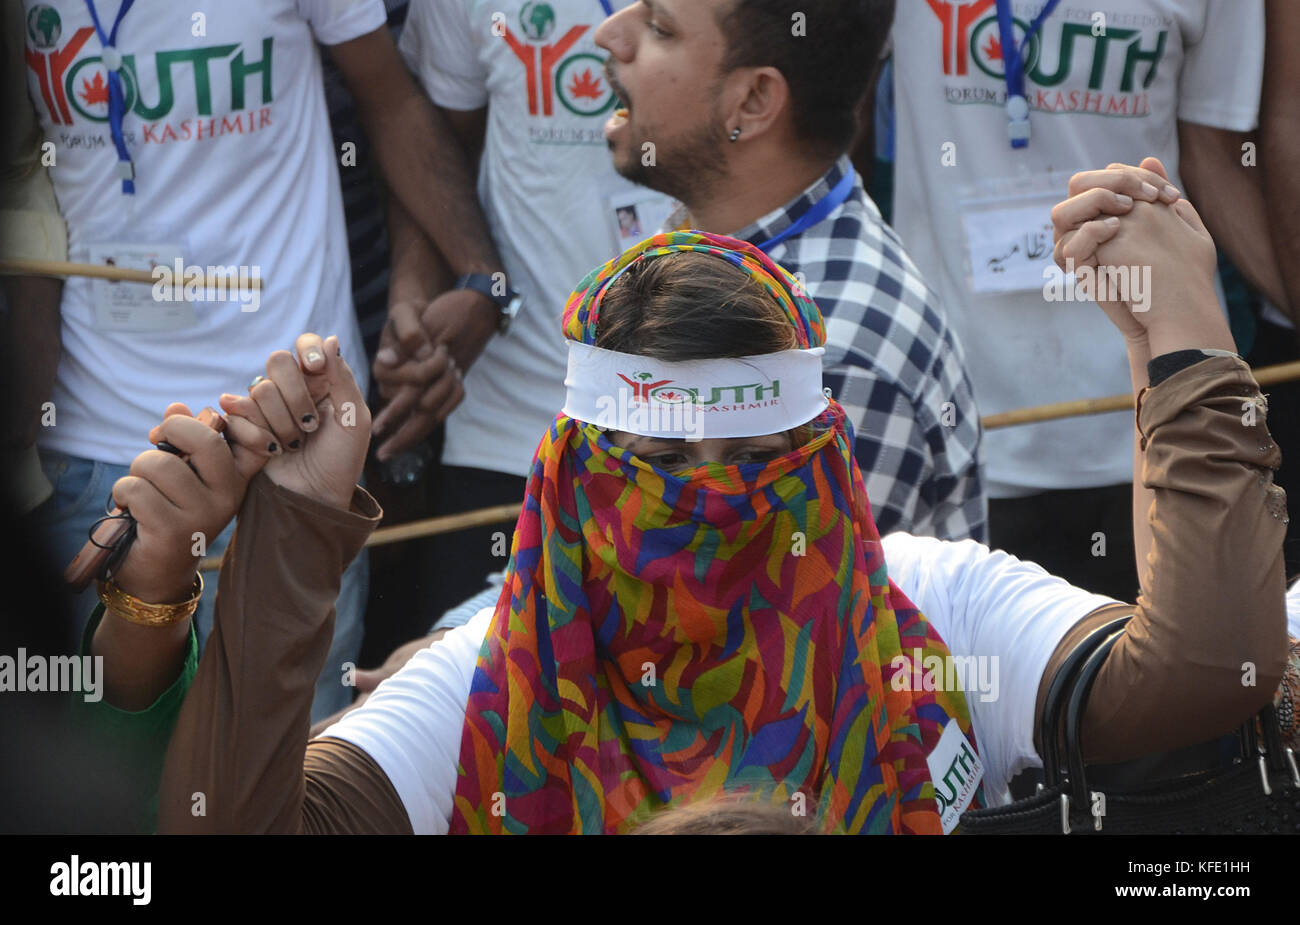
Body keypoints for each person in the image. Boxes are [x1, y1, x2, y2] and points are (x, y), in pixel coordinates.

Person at [74, 163, 1294, 835]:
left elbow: (1203, 684)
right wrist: (280, 537)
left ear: (827, 464)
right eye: (650, 486)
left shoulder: (930, 611)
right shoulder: (482, 682)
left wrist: (1180, 352)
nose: (699, 532)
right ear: (564, 483)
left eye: (749, 481)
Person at [377, 0, 985, 638]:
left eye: (660, 28)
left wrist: (451, 658)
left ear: (752, 101)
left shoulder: (822, 357)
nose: (609, 35)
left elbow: (698, 638)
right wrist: (455, 643)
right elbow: (598, 547)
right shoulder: (718, 250)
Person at [20, 0, 502, 721]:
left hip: (293, 443)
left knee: (294, 769)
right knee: (101, 767)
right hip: (95, 453)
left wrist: (483, 278)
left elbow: (392, 100)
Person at [887, 0, 1284, 601]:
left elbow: (1217, 158)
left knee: (1186, 675)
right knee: (976, 691)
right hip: (959, 428)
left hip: (1154, 422)